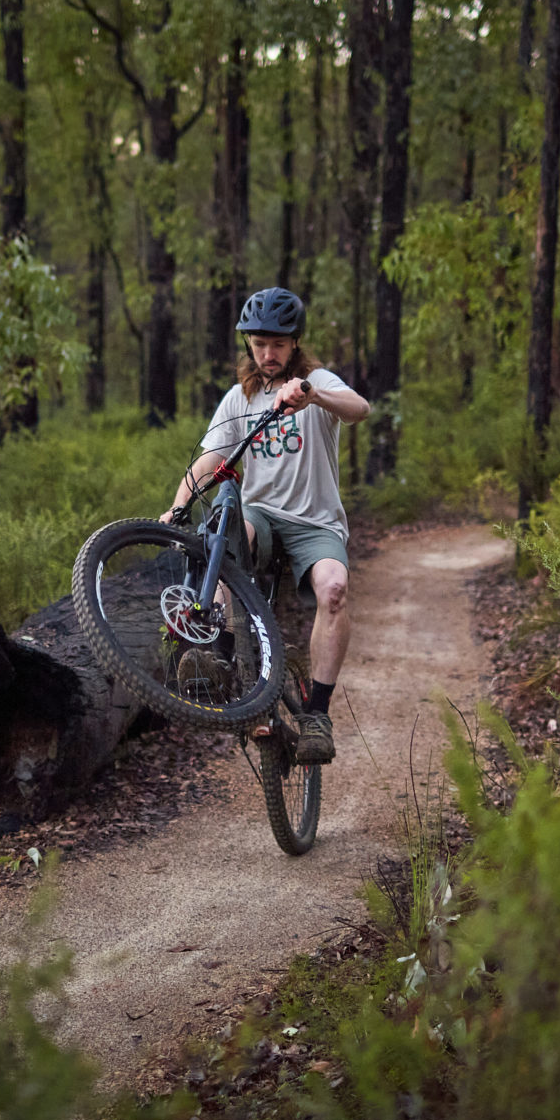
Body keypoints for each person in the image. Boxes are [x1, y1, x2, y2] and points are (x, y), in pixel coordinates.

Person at [162, 287, 369, 764]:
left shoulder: (314, 381)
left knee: (334, 589)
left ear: (294, 343)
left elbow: (360, 409)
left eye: (277, 344)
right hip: (261, 516)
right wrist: (175, 509)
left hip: (316, 522)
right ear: (248, 345)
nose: (268, 354)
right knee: (225, 530)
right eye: (259, 344)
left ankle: (317, 714)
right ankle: (217, 653)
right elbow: (211, 461)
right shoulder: (240, 399)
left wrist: (314, 396)